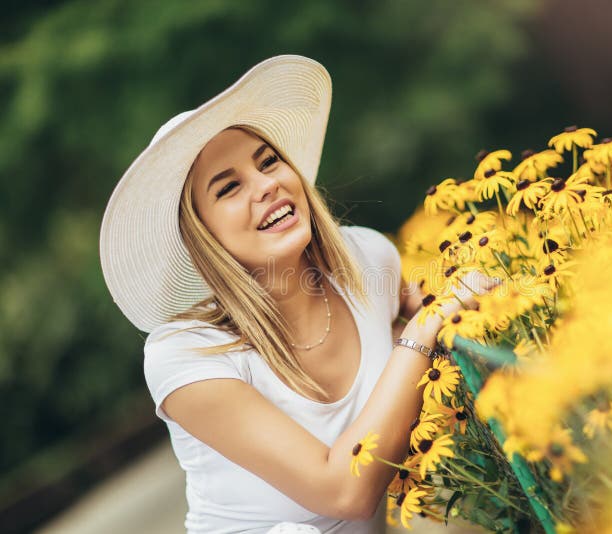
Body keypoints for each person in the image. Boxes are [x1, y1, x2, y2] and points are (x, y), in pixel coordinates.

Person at [99, 55, 494, 533]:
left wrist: (443, 301)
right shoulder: (185, 354)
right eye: (228, 188)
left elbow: (416, 313)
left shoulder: (369, 259)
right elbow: (343, 491)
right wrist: (424, 330)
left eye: (269, 161)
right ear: (200, 235)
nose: (266, 185)